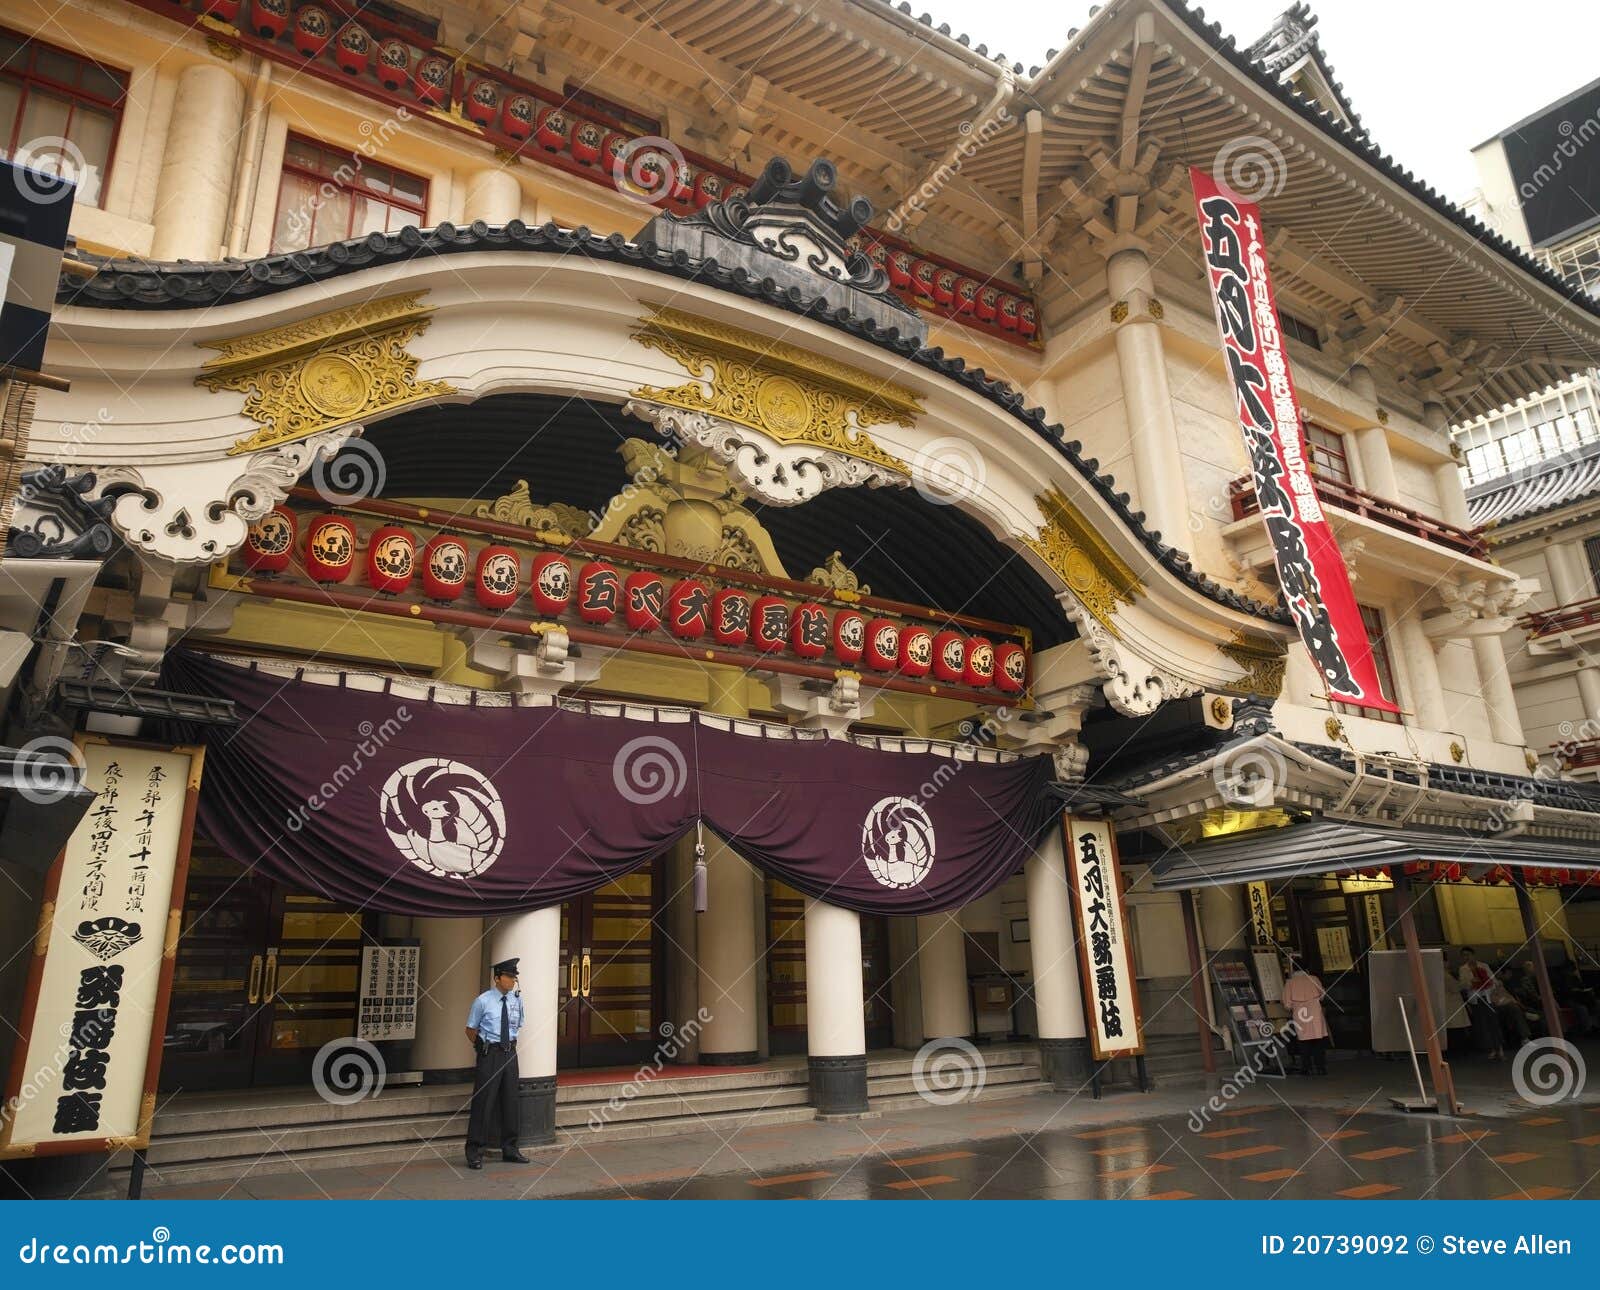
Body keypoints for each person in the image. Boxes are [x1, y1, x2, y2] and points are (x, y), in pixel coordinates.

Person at [464, 957, 530, 1170]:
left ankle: (510, 1149)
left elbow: (518, 1024)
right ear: (497, 978)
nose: (513, 980)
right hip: (490, 1054)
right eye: (509, 976)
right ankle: (475, 1151)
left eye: (514, 977)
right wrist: (482, 1048)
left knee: (510, 1101)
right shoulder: (483, 1001)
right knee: (484, 1102)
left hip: (509, 1053)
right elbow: (470, 1029)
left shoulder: (516, 1000)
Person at [1281, 958, 1330, 1075]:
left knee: (1303, 1041)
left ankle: (1306, 1068)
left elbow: (1287, 1004)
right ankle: (1321, 1067)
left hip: (1300, 1014)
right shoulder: (1314, 979)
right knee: (1318, 1040)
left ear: (1294, 968)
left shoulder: (1290, 982)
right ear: (1307, 968)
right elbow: (1322, 995)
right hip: (1315, 1012)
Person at [1456, 947, 1503, 1059]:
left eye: (1468, 954)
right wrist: (1471, 982)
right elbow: (1462, 985)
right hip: (1475, 999)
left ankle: (1499, 1047)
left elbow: (1493, 980)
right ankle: (1490, 1049)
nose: (1466, 957)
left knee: (1493, 1023)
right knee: (1483, 1025)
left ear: (1473, 955)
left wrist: (1489, 984)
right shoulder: (1463, 969)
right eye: (1464, 955)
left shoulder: (1484, 966)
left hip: (1488, 997)